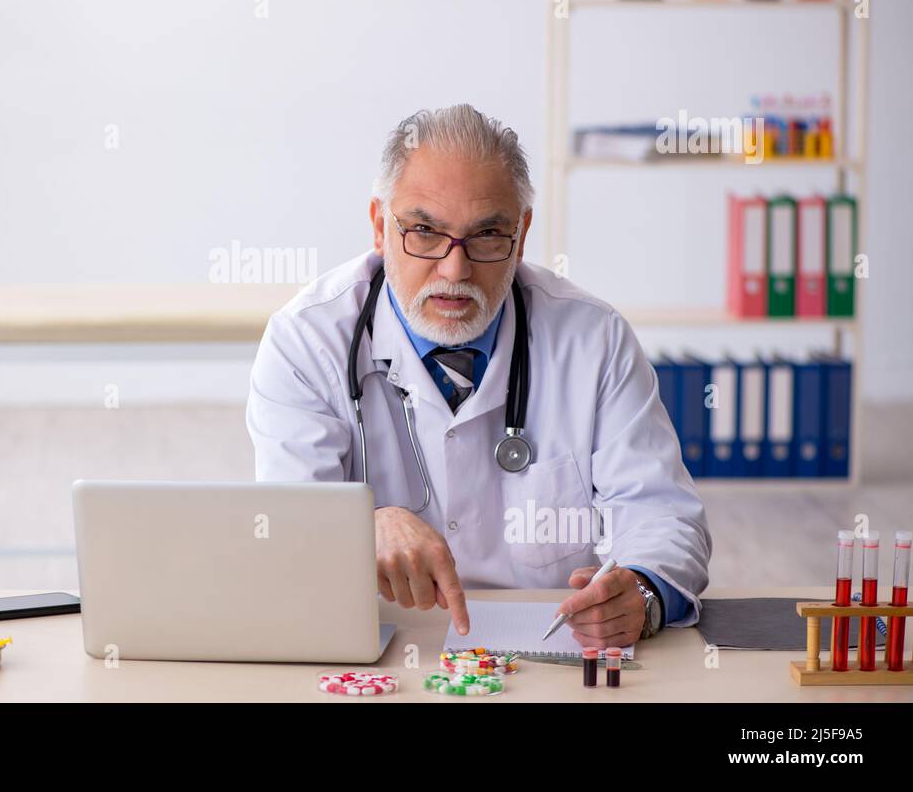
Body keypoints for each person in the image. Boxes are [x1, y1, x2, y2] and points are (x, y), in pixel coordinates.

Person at [246, 105, 711, 646]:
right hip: (383, 646)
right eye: (424, 231)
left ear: (521, 232)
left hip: (551, 656)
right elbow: (286, 530)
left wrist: (644, 592)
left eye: (487, 235)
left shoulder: (593, 339)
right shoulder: (307, 340)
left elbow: (661, 514)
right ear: (379, 225)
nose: (454, 269)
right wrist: (358, 526)